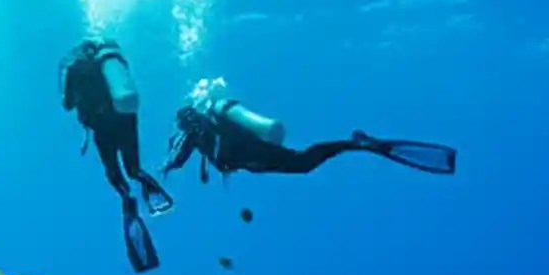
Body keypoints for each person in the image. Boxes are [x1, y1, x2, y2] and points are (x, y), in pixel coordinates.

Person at [163, 77, 458, 182]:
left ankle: (357, 144)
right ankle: (357, 144)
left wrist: (164, 169)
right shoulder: (203, 129)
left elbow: (179, 158)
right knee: (303, 163)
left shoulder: (194, 132)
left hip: (251, 156)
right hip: (255, 156)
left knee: (303, 164)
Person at [60, 38, 173, 273]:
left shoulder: (75, 68)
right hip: (126, 121)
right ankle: (153, 190)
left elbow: (67, 104)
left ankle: (127, 198)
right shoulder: (112, 63)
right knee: (133, 168)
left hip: (101, 127)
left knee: (114, 173)